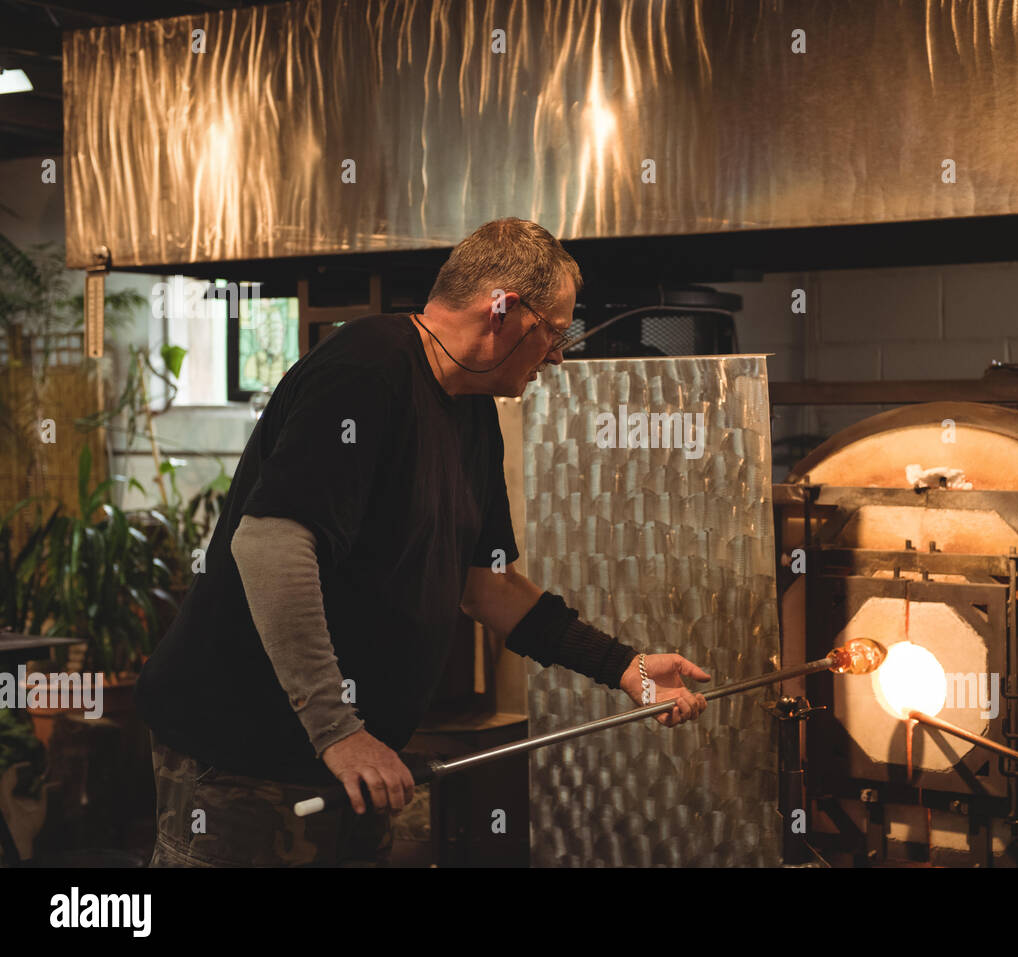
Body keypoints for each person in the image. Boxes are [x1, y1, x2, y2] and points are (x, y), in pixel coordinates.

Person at [135, 218, 710, 866]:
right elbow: (269, 544)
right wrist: (338, 729)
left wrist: (624, 666)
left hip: (346, 764)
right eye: (554, 332)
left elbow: (485, 584)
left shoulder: (473, 411)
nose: (557, 356)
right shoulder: (366, 370)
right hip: (245, 755)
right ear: (504, 310)